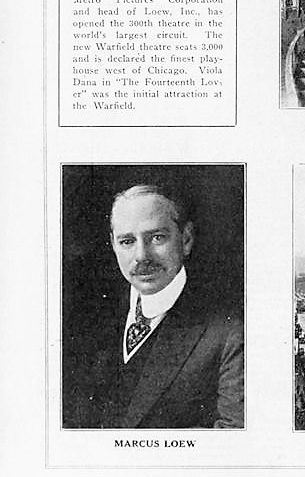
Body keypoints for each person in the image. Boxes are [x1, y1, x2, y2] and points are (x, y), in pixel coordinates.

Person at [68, 183, 243, 429]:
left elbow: (234, 440)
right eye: (127, 241)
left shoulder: (229, 334)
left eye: (157, 238)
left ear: (186, 239)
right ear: (113, 244)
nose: (142, 256)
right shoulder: (90, 318)